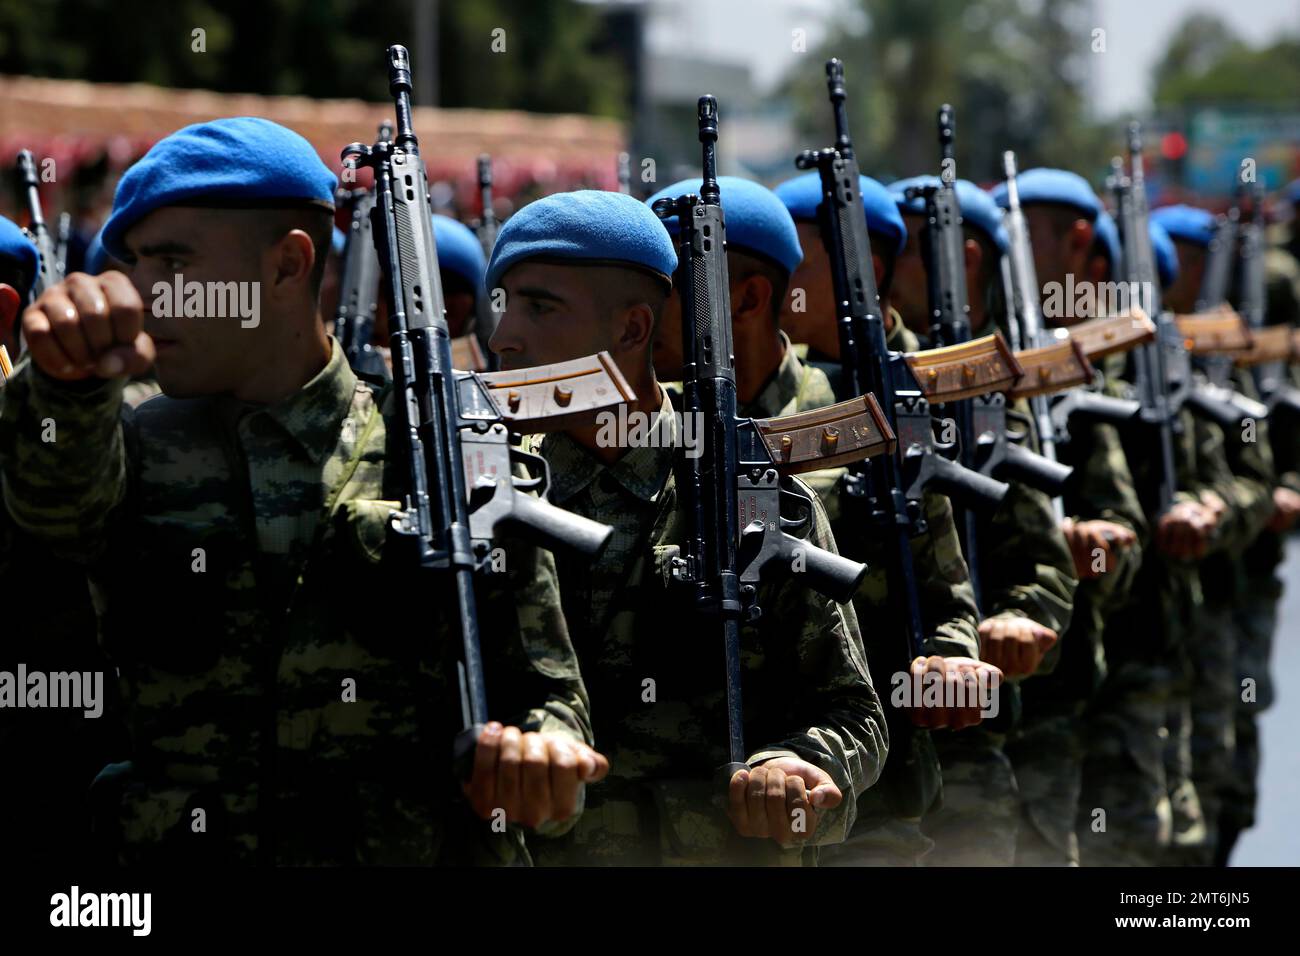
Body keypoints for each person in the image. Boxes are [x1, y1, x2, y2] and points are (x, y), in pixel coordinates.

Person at [0, 117, 605, 866]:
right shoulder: (120, 438)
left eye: (174, 263)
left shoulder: (438, 454)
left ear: (287, 266)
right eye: (134, 264)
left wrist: (540, 763)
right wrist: (61, 382)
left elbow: (549, 695)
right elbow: (49, 507)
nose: (145, 294)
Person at [487, 188, 888, 865]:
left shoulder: (747, 494)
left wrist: (800, 765)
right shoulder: (488, 497)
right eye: (503, 306)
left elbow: (853, 711)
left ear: (631, 330)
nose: (503, 338)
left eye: (539, 307)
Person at [773, 170, 995, 866]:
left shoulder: (905, 401)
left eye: (794, 261)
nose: (779, 288)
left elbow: (950, 593)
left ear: (862, 272)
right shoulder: (730, 402)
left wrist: (955, 657)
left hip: (884, 783)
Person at [891, 176, 1077, 865]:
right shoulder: (856, 386)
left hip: (980, 732)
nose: (883, 266)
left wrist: (1016, 620)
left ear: (963, 259)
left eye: (900, 249)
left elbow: (1044, 558)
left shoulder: (989, 389)